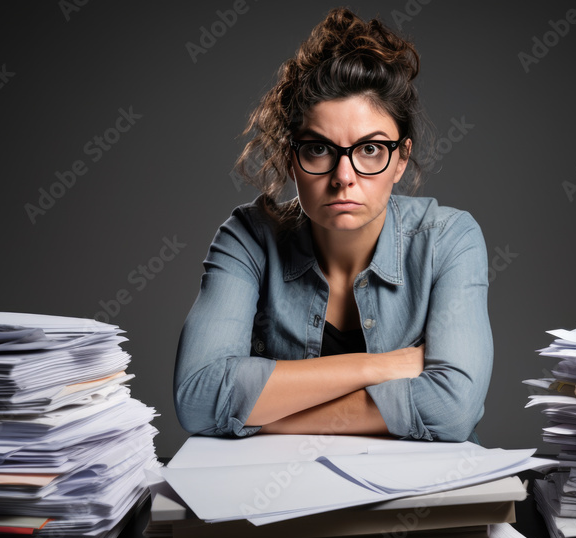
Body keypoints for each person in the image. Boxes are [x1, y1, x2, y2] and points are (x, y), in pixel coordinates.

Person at [174, 7, 492, 442]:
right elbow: (197, 398)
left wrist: (269, 416)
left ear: (400, 159)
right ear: (292, 158)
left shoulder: (449, 240)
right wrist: (379, 366)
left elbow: (453, 410)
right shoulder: (247, 237)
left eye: (370, 150)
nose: (344, 176)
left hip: (413, 504)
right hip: (277, 499)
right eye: (320, 149)